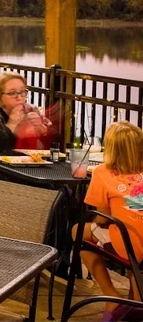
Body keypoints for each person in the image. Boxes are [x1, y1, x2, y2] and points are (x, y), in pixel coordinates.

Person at [73, 122, 143, 320]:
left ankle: (111, 294)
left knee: (79, 230)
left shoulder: (102, 173)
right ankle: (134, 304)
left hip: (128, 247)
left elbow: (102, 218)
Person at [0, 72, 52, 152]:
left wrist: (42, 130)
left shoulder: (31, 109)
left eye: (22, 92)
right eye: (12, 93)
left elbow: (54, 142)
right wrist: (12, 124)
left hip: (29, 162)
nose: (19, 97)